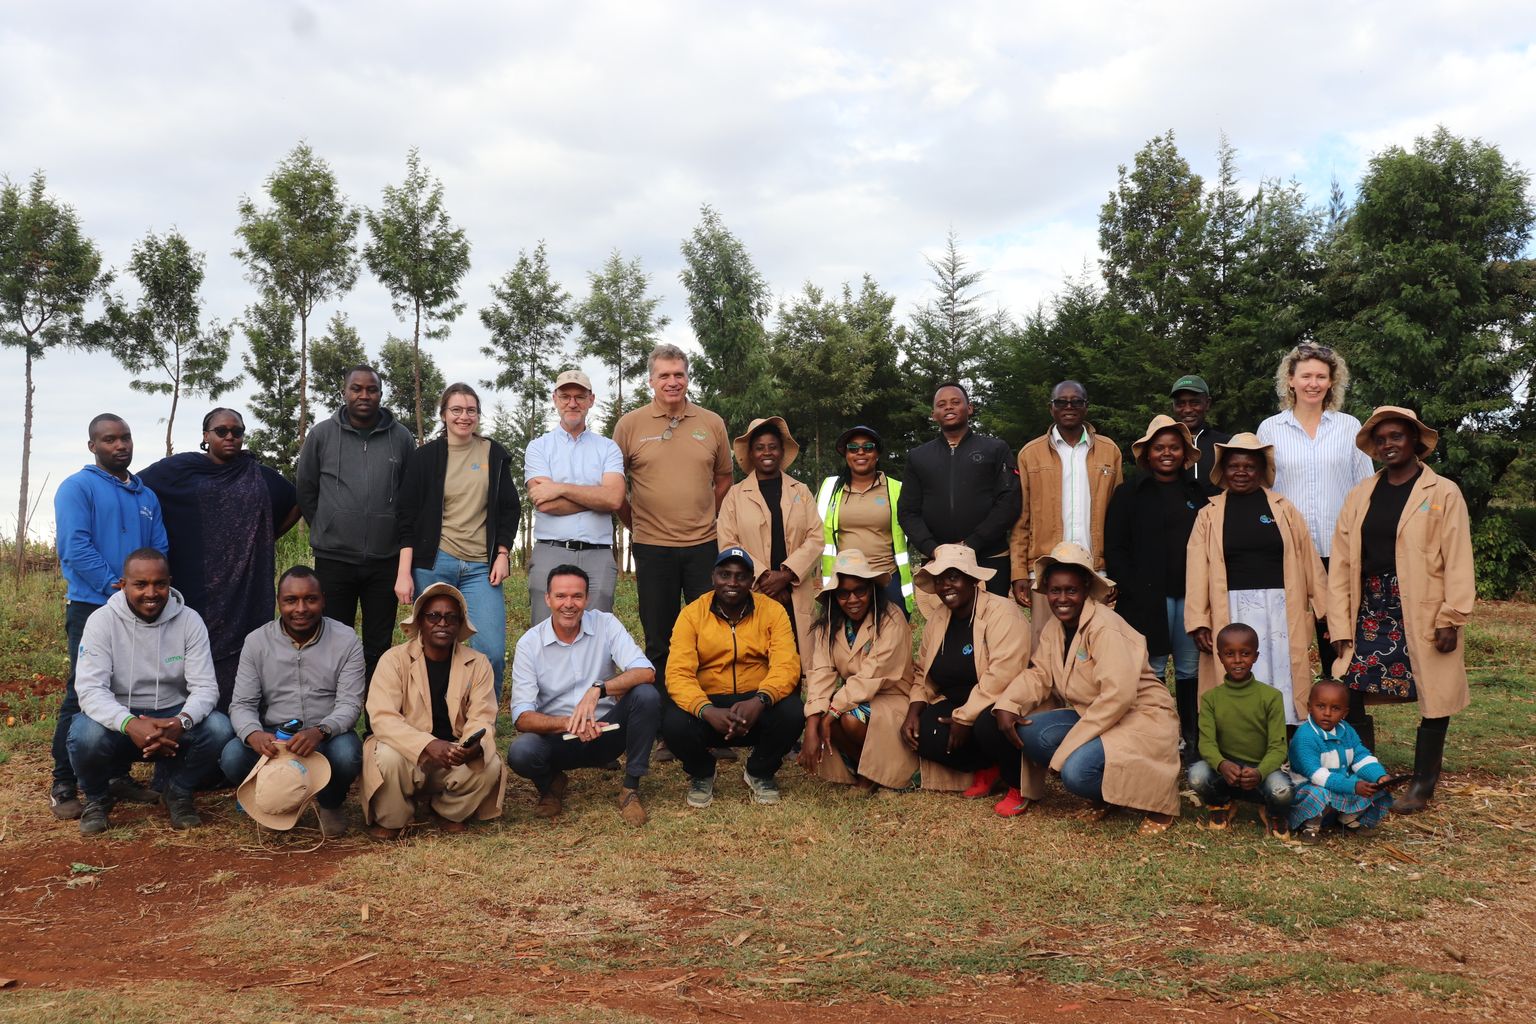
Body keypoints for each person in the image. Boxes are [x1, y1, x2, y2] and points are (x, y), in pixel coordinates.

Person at [1329, 407, 1474, 815]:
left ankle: (1423, 784)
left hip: (1423, 606)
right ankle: (1368, 774)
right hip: (1372, 604)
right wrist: (1339, 621)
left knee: (1435, 694)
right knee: (1351, 684)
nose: (1388, 444)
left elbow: (1458, 558)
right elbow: (1341, 562)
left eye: (1397, 436)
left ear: (1415, 442)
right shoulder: (1361, 494)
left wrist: (1452, 616)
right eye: (1381, 439)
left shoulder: (1442, 492)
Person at [992, 543, 1181, 835]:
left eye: (1071, 590)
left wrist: (1065, 750)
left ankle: (1155, 800)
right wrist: (1007, 704)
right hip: (1094, 715)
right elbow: (1040, 673)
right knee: (1029, 731)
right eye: (1056, 590)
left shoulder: (1104, 627)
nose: (1062, 599)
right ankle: (1107, 796)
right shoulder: (1055, 627)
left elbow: (1117, 698)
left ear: (1086, 589)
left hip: (1137, 717)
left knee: (1075, 772)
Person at [139, 408, 301, 710]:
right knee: (192, 652)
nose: (230, 437)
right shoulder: (180, 469)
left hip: (246, 588)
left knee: (244, 661)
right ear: (205, 436)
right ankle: (189, 725)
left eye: (236, 432)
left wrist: (266, 537)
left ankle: (238, 724)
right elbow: (137, 488)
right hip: (195, 580)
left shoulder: (257, 474)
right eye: (221, 431)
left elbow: (298, 500)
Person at [48, 413, 168, 820]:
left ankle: (116, 776)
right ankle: (64, 782)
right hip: (92, 604)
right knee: (81, 691)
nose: (121, 446)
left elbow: (159, 549)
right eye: (110, 439)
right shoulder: (77, 488)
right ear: (93, 446)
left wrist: (144, 591)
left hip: (140, 608)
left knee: (128, 686)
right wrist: (116, 589)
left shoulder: (146, 496)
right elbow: (74, 547)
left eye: (126, 438)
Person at [68, 548, 234, 835]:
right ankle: (97, 799)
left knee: (219, 728)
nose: (151, 592)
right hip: (120, 720)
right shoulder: (101, 621)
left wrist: (180, 722)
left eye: (160, 584)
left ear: (169, 582)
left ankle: (178, 792)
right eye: (140, 584)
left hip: (171, 719)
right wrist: (130, 723)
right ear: (123, 584)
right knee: (85, 734)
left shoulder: (189, 620)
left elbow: (205, 687)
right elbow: (90, 689)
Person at [613, 345, 733, 700]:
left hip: (703, 547)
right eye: (664, 375)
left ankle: (708, 718)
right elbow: (614, 485)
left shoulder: (711, 423)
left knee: (708, 634)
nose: (672, 381)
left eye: (679, 374)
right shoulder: (630, 425)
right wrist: (635, 523)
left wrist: (707, 516)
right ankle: (666, 724)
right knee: (660, 637)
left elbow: (724, 477)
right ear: (651, 380)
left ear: (687, 378)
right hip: (653, 548)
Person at [1185, 433, 1327, 727]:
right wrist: (1199, 620)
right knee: (1238, 672)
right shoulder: (1208, 514)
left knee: (1283, 675)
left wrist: (1327, 614)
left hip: (1281, 610)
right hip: (1232, 611)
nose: (1241, 472)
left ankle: (1286, 741)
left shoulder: (1284, 509)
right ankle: (1241, 743)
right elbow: (1197, 569)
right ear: (1223, 470)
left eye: (1249, 466)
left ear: (1261, 470)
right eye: (1234, 466)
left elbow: (1309, 562)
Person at [394, 383, 520, 698]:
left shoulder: (494, 453)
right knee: (431, 649)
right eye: (456, 410)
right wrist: (403, 573)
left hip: (481, 568)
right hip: (435, 563)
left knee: (490, 650)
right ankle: (432, 719)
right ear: (444, 415)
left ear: (478, 414)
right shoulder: (424, 458)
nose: (464, 416)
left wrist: (502, 553)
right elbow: (406, 516)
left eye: (471, 410)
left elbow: (509, 508)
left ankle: (482, 725)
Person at [507, 563, 658, 826]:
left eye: (577, 596)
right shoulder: (529, 644)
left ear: (586, 598)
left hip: (606, 731)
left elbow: (646, 671)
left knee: (646, 695)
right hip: (559, 737)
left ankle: (630, 789)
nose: (569, 604)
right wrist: (569, 723)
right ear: (548, 599)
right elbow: (521, 717)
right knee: (521, 752)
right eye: (561, 596)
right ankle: (551, 785)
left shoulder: (606, 624)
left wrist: (598, 690)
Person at [220, 566, 365, 837]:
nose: (301, 608)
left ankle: (330, 804)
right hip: (275, 740)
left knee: (348, 754)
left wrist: (321, 731)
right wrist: (254, 734)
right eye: (291, 600)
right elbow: (241, 704)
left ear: (323, 599)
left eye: (310, 599)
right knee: (232, 755)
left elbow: (350, 705)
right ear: (279, 602)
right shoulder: (257, 641)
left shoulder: (346, 640)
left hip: (325, 738)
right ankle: (273, 802)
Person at [296, 365, 414, 682]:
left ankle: (376, 724)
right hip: (334, 559)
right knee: (334, 644)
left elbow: (409, 497)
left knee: (378, 647)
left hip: (384, 560)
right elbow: (306, 489)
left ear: (380, 394)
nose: (364, 395)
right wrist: (327, 524)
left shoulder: (401, 437)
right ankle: (335, 724)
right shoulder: (321, 434)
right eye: (357, 388)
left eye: (371, 389)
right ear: (344, 392)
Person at [361, 583, 506, 840]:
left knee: (489, 762)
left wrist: (471, 745)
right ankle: (394, 818)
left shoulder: (478, 663)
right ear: (419, 622)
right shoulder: (393, 660)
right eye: (434, 616)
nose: (443, 623)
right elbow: (382, 718)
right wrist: (427, 744)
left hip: (452, 755)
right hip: (406, 754)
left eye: (451, 617)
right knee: (386, 755)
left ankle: (448, 812)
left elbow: (482, 716)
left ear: (460, 623)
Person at [662, 548, 803, 808]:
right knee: (671, 721)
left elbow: (787, 664)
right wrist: (705, 710)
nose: (732, 583)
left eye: (740, 576)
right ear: (713, 577)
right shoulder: (692, 614)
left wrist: (761, 700)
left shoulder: (773, 611)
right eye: (725, 575)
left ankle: (760, 771)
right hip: (711, 707)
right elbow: (677, 673)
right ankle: (703, 772)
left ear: (751, 581)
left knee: (794, 710)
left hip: (756, 705)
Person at [1104, 414, 1209, 762]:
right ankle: (1158, 736)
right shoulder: (1129, 493)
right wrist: (1132, 588)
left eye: (1174, 447)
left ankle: (1191, 740)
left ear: (1184, 452)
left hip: (1190, 594)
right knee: (1153, 666)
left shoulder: (1198, 493)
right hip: (1146, 596)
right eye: (1159, 448)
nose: (1167, 453)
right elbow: (1116, 547)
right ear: (1147, 454)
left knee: (1189, 668)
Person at [1257, 344, 1372, 655]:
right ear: (1290, 380)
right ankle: (1294, 702)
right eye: (1305, 375)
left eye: (1321, 376)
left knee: (1338, 636)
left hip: (1339, 550)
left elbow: (1366, 489)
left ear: (1332, 382)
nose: (1313, 383)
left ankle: (1339, 702)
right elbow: (1264, 493)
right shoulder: (1270, 428)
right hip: (1289, 550)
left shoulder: (1349, 427)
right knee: (1289, 636)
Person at [901, 544, 1036, 811]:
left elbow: (1003, 675)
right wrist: (914, 708)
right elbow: (923, 672)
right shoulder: (938, 619)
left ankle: (1017, 784)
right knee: (924, 732)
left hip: (1005, 700)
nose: (945, 586)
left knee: (988, 722)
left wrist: (964, 718)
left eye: (953, 577)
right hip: (960, 702)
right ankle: (987, 767)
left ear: (973, 579)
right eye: (940, 579)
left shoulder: (1002, 612)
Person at [1010, 381, 1123, 641]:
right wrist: (1019, 573)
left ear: (1086, 407)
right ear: (1051, 408)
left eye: (1076, 401)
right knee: (1046, 654)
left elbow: (1118, 518)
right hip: (1046, 572)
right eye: (1062, 402)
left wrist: (1117, 572)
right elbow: (1022, 517)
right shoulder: (1030, 454)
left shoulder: (1109, 451)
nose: (1069, 407)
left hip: (1097, 572)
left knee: (1096, 651)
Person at [798, 549, 916, 791]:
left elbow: (872, 674)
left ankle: (872, 777)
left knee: (849, 719)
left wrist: (832, 711)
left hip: (891, 696)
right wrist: (812, 722)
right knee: (823, 715)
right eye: (843, 594)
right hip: (853, 697)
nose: (852, 600)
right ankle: (870, 769)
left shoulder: (892, 619)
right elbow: (821, 672)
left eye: (860, 591)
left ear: (872, 589)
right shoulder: (829, 623)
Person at [897, 383, 1020, 598]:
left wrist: (973, 542)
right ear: (934, 414)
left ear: (969, 408)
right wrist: (932, 548)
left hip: (989, 555)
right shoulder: (919, 457)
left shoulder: (995, 449)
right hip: (939, 560)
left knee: (993, 622)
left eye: (955, 402)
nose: (949, 407)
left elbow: (1009, 501)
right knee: (945, 625)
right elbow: (908, 511)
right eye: (941, 404)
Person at [524, 369, 625, 624]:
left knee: (599, 635)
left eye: (580, 396)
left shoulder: (608, 448)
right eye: (565, 396)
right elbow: (545, 503)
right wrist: (595, 497)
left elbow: (614, 500)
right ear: (555, 399)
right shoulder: (538, 447)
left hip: (598, 554)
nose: (572, 403)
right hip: (551, 549)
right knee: (545, 632)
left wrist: (560, 488)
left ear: (591, 400)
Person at [717, 416, 823, 657]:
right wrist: (766, 578)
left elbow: (816, 538)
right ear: (751, 453)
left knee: (795, 657)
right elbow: (728, 542)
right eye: (760, 447)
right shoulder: (735, 495)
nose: (767, 452)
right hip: (755, 589)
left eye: (773, 447)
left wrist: (785, 576)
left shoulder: (801, 491)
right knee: (757, 656)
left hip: (794, 591)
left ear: (781, 451)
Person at [1187, 623, 1293, 836]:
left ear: (1255, 656)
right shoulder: (1210, 699)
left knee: (1282, 792)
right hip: (1226, 773)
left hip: (1261, 772)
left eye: (1245, 653)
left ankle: (1273, 812)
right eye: (1229, 654)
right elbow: (1206, 743)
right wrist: (1222, 764)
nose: (1237, 660)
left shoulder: (1271, 697)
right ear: (1219, 657)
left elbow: (1278, 747)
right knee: (1196, 775)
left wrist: (1260, 771)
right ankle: (1220, 804)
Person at [815, 425, 915, 616]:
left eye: (868, 447)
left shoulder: (896, 489)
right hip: (844, 581)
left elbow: (910, 530)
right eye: (853, 448)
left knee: (893, 638)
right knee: (846, 642)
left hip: (886, 577)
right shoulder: (829, 489)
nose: (860, 452)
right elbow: (813, 531)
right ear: (846, 454)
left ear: (877, 453)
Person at [1287, 679, 1393, 844]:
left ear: (1345, 713)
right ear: (1309, 707)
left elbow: (1361, 756)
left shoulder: (1346, 730)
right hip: (1307, 788)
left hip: (1339, 783)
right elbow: (1318, 776)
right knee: (1319, 792)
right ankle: (1310, 825)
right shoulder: (1305, 737)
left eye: (1335, 708)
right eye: (1320, 706)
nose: (1327, 713)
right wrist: (1352, 786)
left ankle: (1346, 817)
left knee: (1373, 784)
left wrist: (1380, 777)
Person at [1168, 374, 1232, 492]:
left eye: (1194, 403)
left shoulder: (1227, 445)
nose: (1187, 409)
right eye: (1180, 404)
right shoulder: (1164, 447)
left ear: (1207, 403)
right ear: (1173, 406)